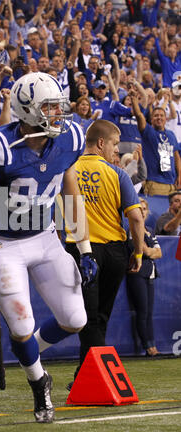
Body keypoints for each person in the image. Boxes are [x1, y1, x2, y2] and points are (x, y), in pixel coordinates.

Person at [0, 72, 98, 423]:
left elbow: (70, 193)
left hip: (46, 237)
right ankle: (38, 381)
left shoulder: (68, 138)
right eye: (49, 108)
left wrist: (84, 248)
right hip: (5, 243)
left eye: (58, 106)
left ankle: (29, 352)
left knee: (75, 319)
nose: (57, 114)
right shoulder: (1, 149)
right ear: (28, 111)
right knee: (21, 326)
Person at [65, 119, 144, 384]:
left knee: (87, 319)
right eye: (113, 144)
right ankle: (84, 375)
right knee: (99, 317)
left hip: (81, 250)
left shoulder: (69, 170)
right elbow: (136, 218)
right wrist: (139, 252)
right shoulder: (117, 173)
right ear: (100, 143)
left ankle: (94, 377)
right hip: (114, 252)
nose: (116, 151)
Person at [126, 197, 162, 357]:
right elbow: (144, 250)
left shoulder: (149, 229)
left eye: (144, 209)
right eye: (139, 209)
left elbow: (158, 253)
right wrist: (149, 252)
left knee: (149, 312)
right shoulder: (131, 230)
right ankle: (147, 346)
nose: (142, 212)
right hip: (137, 273)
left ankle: (152, 346)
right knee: (142, 311)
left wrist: (150, 252)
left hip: (150, 273)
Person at [131, 90, 181, 196]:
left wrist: (179, 176)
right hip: (155, 183)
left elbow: (176, 157)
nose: (159, 117)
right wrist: (134, 101)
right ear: (151, 119)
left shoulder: (171, 134)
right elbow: (139, 115)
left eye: (162, 115)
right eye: (156, 115)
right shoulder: (148, 132)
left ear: (165, 119)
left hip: (172, 184)